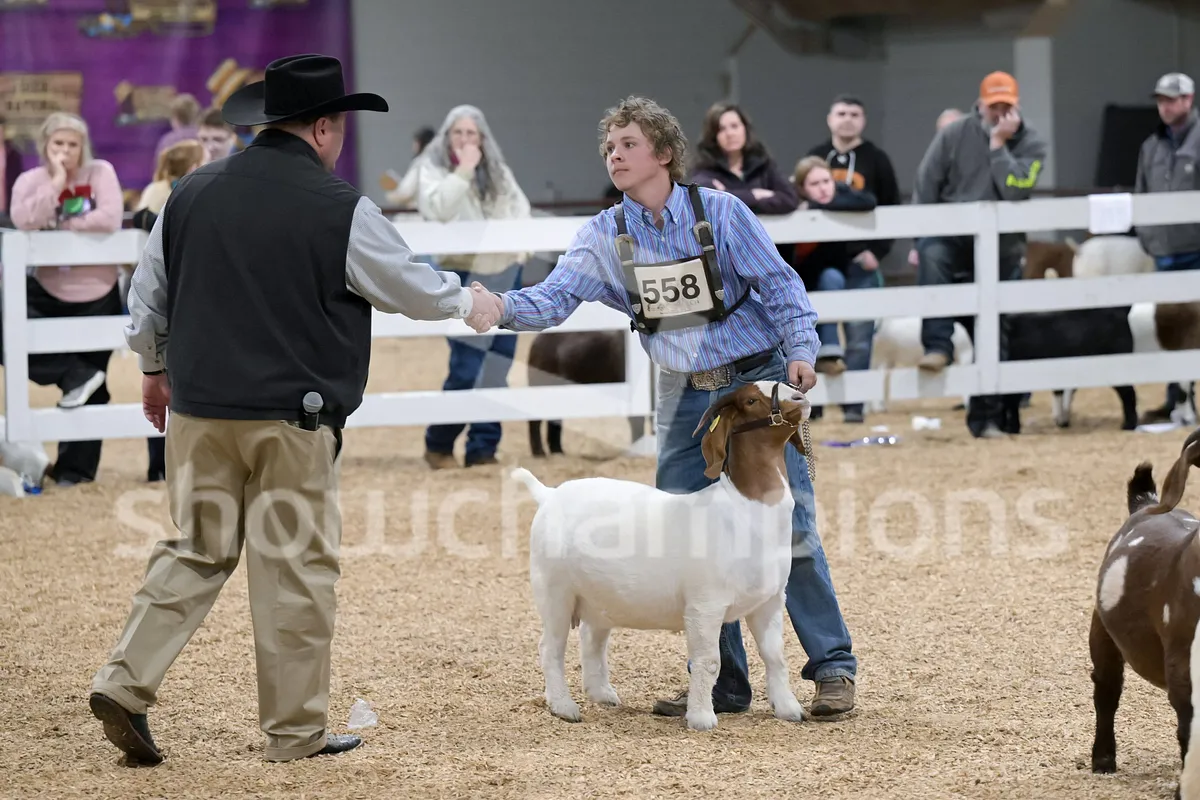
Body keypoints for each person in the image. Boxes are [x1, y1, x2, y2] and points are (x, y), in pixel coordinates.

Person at [88, 54, 491, 766]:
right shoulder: (340, 208)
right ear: (326, 127)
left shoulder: (188, 193)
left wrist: (153, 369)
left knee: (195, 548)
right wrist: (470, 300)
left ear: (264, 122)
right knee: (295, 570)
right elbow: (409, 287)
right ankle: (295, 733)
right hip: (292, 419)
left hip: (201, 410)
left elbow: (148, 295)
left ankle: (124, 682)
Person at [465, 95, 858, 718]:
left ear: (665, 154)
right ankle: (722, 682)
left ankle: (832, 667)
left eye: (627, 145)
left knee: (791, 525)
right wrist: (502, 309)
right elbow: (555, 297)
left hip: (753, 376)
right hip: (682, 390)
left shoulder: (723, 213)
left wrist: (803, 348)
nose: (614, 156)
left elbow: (781, 284)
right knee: (684, 530)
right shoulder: (603, 234)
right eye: (609, 148)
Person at [911, 71, 1047, 438]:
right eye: (994, 105)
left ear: (1016, 104)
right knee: (932, 253)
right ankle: (938, 345)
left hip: (1002, 249)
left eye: (1007, 105)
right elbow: (927, 184)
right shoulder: (953, 134)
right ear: (981, 103)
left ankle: (988, 418)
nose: (1000, 110)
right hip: (953, 239)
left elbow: (1018, 189)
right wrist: (918, 239)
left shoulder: (1032, 142)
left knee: (996, 332)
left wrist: (999, 146)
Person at [6, 111, 125, 486]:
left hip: (96, 293)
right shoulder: (31, 179)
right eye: (58, 143)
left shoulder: (101, 172)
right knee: (8, 334)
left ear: (83, 147)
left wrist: (60, 225)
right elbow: (23, 219)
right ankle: (74, 373)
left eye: (72, 144)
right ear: (46, 146)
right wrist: (56, 183)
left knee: (96, 388)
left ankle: (75, 472)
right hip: (45, 290)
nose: (65, 151)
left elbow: (110, 217)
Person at [416, 104, 532, 469]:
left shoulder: (499, 173)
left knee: (497, 366)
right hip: (461, 274)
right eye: (458, 133)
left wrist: (521, 251)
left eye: (472, 133)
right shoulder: (433, 171)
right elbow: (437, 209)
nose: (466, 140)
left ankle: (483, 448)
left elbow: (520, 209)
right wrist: (463, 170)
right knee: (466, 365)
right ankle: (439, 443)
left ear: (483, 138)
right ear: (447, 137)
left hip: (503, 273)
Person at [790, 156, 878, 422]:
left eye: (827, 181)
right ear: (802, 188)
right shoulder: (795, 211)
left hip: (835, 277)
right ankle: (814, 405)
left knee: (834, 283)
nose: (823, 188)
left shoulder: (841, 197)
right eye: (814, 184)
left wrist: (816, 205)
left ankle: (850, 400)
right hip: (807, 281)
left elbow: (868, 201)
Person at [1134, 72, 1200, 424]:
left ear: (1189, 100)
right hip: (1165, 253)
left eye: (1172, 99)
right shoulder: (1151, 146)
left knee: (1195, 327)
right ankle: (1177, 399)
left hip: (1195, 250)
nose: (1165, 106)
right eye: (1161, 100)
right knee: (1171, 326)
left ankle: (1188, 400)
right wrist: (1148, 236)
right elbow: (1141, 194)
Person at [689, 102, 799, 215]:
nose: (730, 133)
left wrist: (727, 193)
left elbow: (790, 199)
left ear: (745, 129)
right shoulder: (704, 169)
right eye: (721, 129)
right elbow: (710, 203)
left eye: (734, 126)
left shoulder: (763, 162)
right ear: (713, 136)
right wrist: (755, 195)